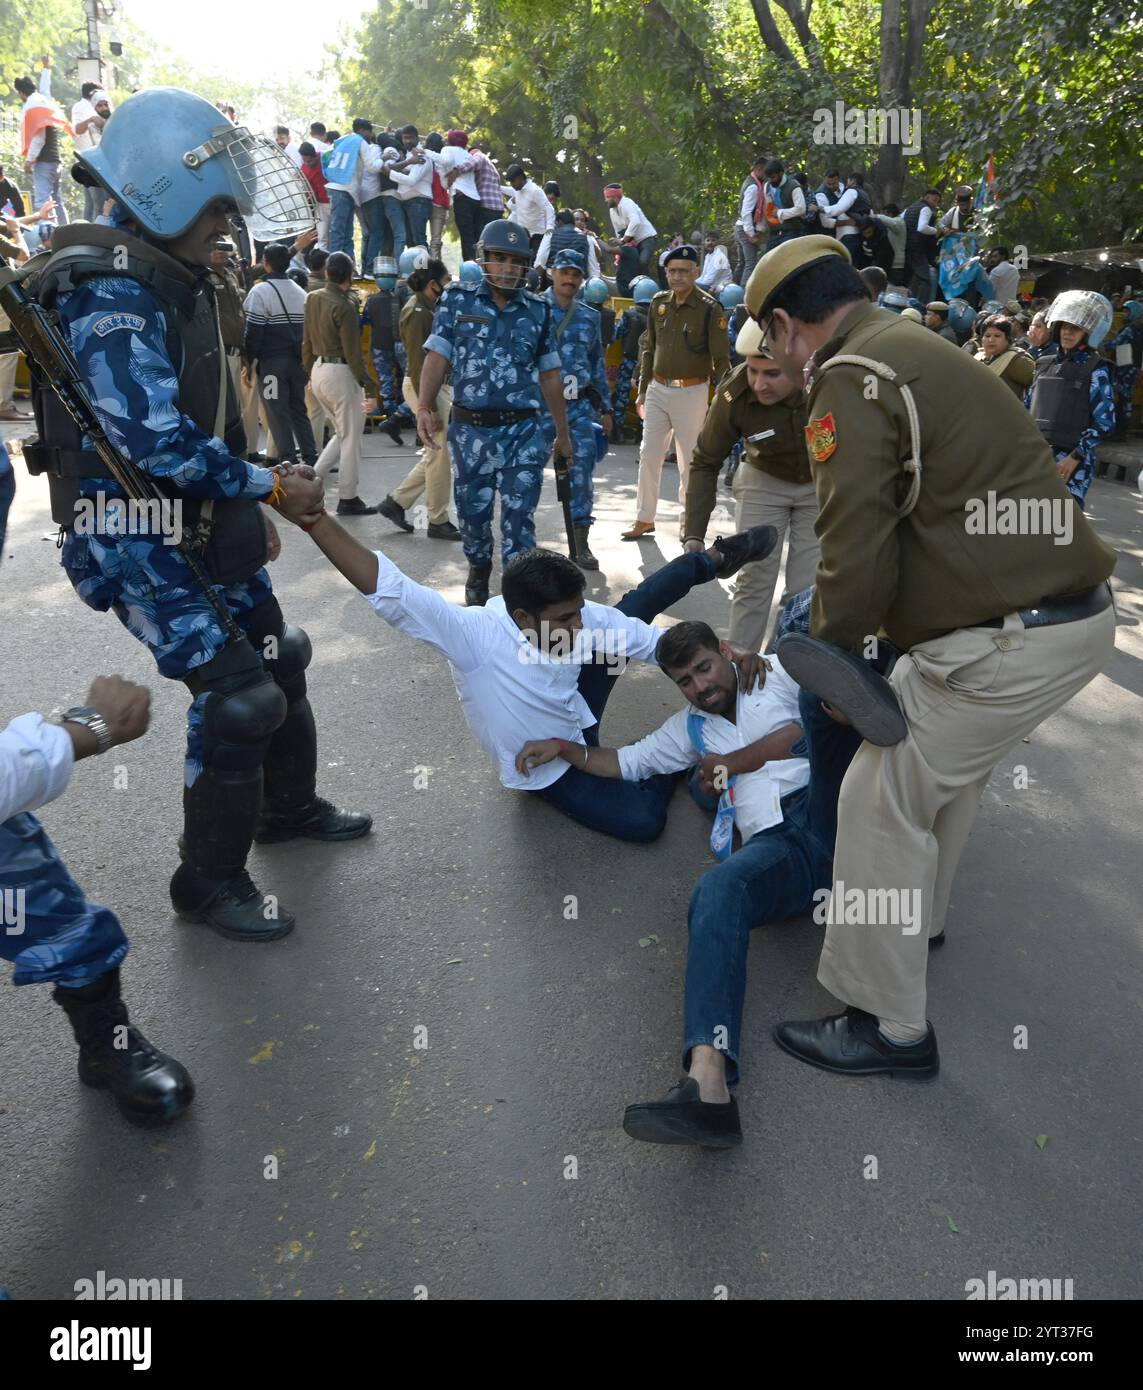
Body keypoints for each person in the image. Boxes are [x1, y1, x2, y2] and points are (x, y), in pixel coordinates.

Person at [744, 235, 1116, 1077]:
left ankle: (888, 1027)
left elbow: (852, 540)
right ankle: (922, 921)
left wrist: (835, 660)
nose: (773, 358)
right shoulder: (913, 345)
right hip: (1063, 619)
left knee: (882, 797)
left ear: (783, 323)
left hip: (1010, 637)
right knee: (946, 777)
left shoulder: (849, 376)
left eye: (768, 340)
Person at [33, 88, 367, 942]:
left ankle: (284, 812)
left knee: (276, 655)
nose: (226, 223)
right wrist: (265, 487)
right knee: (238, 698)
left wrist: (251, 483)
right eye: (216, 204)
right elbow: (152, 440)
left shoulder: (169, 279)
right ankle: (205, 883)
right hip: (129, 532)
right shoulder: (110, 295)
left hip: (189, 511)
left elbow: (201, 429)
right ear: (159, 194)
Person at [269, 475, 778, 838]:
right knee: (644, 823)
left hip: (578, 712)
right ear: (522, 617)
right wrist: (315, 520)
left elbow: (654, 646)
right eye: (565, 619)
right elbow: (391, 590)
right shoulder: (473, 637)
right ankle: (671, 768)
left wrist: (727, 656)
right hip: (546, 763)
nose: (579, 625)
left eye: (579, 612)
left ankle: (713, 558)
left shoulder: (577, 620)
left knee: (634, 611)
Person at [520, 616, 862, 1147]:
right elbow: (626, 762)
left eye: (705, 667)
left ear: (725, 652)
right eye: (685, 680)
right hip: (784, 851)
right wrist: (564, 749)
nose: (701, 686)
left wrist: (730, 761)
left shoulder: (773, 674)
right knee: (716, 888)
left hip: (831, 806)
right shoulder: (688, 730)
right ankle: (708, 1088)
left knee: (817, 698)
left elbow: (800, 739)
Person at [414, 219, 571, 607]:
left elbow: (550, 374)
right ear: (485, 258)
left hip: (523, 433)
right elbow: (437, 355)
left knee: (520, 520)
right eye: (499, 258)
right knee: (473, 516)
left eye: (515, 261)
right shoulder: (456, 300)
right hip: (471, 433)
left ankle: (519, 597)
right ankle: (479, 569)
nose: (506, 267)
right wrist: (423, 405)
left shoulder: (538, 310)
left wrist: (563, 433)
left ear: (524, 265)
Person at [682, 317, 818, 654]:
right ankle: (741, 666)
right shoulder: (735, 394)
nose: (759, 384)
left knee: (807, 588)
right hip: (763, 479)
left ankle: (785, 666)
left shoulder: (827, 385)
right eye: (753, 371)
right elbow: (705, 460)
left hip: (819, 483)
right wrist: (694, 534)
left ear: (799, 365)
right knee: (754, 579)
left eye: (772, 373)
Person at [622, 244, 730, 542]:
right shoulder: (658, 303)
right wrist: (643, 388)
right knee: (649, 454)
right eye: (672, 271)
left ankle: (689, 526)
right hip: (657, 388)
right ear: (666, 273)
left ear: (696, 272)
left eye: (684, 271)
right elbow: (648, 347)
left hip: (692, 391)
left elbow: (721, 359)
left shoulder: (710, 309)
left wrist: (724, 398)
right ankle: (644, 519)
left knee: (689, 462)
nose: (678, 276)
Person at [376, 257, 462, 541]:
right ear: (432, 284)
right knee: (439, 453)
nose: (448, 285)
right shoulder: (418, 313)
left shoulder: (426, 307)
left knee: (435, 454)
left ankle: (396, 503)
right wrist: (427, 407)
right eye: (445, 281)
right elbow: (417, 360)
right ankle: (437, 520)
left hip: (431, 386)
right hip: (424, 387)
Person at [539, 249, 613, 569]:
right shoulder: (533, 310)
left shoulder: (589, 316)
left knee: (581, 472)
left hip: (578, 407)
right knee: (524, 473)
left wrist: (606, 406)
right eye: (564, 271)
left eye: (576, 274)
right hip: (537, 407)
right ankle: (522, 542)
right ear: (552, 272)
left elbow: (597, 363)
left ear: (582, 279)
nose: (570, 279)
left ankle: (580, 544)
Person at [304, 250, 381, 514]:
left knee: (342, 433)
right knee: (350, 439)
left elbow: (306, 341)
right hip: (340, 374)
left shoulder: (312, 298)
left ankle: (312, 479)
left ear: (326, 272)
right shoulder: (346, 305)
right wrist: (370, 386)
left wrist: (307, 374)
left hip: (318, 370)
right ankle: (348, 498)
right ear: (349, 275)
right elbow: (353, 354)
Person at [1025, 290, 1117, 509]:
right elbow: (1027, 409)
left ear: (1087, 333)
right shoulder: (1043, 364)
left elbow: (1105, 422)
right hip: (1036, 457)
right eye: (1065, 326)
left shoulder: (1095, 369)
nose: (1068, 333)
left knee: (1060, 529)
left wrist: (1075, 457)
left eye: (1075, 328)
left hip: (1071, 463)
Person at [243, 242, 318, 465]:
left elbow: (253, 331)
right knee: (298, 409)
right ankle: (311, 456)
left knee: (276, 410)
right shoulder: (300, 292)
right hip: (297, 364)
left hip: (272, 366)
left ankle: (288, 458)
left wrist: (249, 360)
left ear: (265, 263)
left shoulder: (260, 291)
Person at [361, 257, 410, 443]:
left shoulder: (371, 300)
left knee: (386, 380)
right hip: (399, 344)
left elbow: (364, 321)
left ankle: (391, 415)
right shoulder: (401, 298)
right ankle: (403, 415)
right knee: (404, 380)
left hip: (379, 346)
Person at [15, 59, 69, 226]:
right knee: (57, 202)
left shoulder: (31, 106)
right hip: (55, 161)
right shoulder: (44, 100)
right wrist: (46, 69)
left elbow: (39, 137)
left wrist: (29, 161)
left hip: (44, 161)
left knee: (42, 203)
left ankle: (50, 241)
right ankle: (68, 235)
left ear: (21, 93)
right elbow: (46, 89)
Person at [612, 277, 654, 441]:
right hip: (648, 363)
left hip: (629, 361)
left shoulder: (629, 315)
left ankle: (618, 433)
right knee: (646, 398)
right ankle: (641, 434)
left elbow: (616, 335)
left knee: (622, 397)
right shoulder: (657, 317)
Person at [388, 125, 434, 251]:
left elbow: (412, 180)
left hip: (419, 202)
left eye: (410, 138)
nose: (408, 141)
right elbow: (394, 167)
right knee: (411, 243)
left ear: (417, 138)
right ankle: (416, 270)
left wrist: (390, 173)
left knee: (419, 241)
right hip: (408, 203)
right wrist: (404, 167)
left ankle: (424, 270)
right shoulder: (408, 156)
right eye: (405, 138)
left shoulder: (421, 155)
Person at [70, 85, 111, 221]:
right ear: (94, 107)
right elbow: (100, 144)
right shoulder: (93, 124)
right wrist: (92, 120)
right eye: (100, 105)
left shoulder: (113, 120)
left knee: (99, 204)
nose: (104, 108)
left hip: (107, 169)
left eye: (106, 104)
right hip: (95, 169)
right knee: (98, 203)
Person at [603, 183, 657, 285]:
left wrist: (623, 240)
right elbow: (618, 231)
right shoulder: (612, 211)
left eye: (607, 197)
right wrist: (621, 245)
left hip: (647, 238)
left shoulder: (627, 203)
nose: (606, 200)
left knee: (642, 261)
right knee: (632, 266)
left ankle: (647, 287)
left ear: (614, 197)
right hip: (633, 242)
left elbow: (635, 221)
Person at [1106, 297, 1142, 440]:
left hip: (1125, 369)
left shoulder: (1129, 330)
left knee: (1123, 400)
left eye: (1127, 311)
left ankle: (1120, 432)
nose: (1124, 314)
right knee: (1125, 399)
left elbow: (1114, 344)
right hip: (1132, 367)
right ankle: (1122, 431)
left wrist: (1100, 344)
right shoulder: (1138, 329)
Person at [973, 315, 1034, 398]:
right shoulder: (977, 357)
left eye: (997, 336)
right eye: (987, 336)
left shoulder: (1017, 360)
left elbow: (1038, 387)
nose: (991, 340)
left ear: (1007, 338)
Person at [502, 164, 553, 253]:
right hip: (523, 235)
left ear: (521, 177)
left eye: (513, 181)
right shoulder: (517, 190)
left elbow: (548, 208)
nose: (512, 184)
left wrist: (549, 227)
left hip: (537, 236)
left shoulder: (535, 191)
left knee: (534, 264)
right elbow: (507, 190)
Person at [902, 189, 941, 302]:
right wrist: (936, 231)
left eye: (937, 201)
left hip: (906, 247)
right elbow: (922, 227)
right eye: (934, 200)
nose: (935, 204)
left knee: (909, 279)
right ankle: (921, 306)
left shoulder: (910, 208)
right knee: (925, 280)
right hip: (917, 248)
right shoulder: (926, 209)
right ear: (927, 198)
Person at [735, 155, 768, 286]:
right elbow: (746, 212)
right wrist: (751, 234)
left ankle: (731, 291)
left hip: (740, 226)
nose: (767, 176)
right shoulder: (753, 187)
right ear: (759, 169)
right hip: (745, 228)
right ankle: (743, 293)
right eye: (766, 172)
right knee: (751, 263)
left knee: (742, 263)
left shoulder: (749, 181)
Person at [761, 159, 808, 248]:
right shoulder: (767, 186)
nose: (771, 180)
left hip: (794, 230)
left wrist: (779, 213)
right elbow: (769, 206)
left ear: (781, 173)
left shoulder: (794, 186)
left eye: (773, 177)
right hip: (775, 231)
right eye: (769, 178)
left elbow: (801, 209)